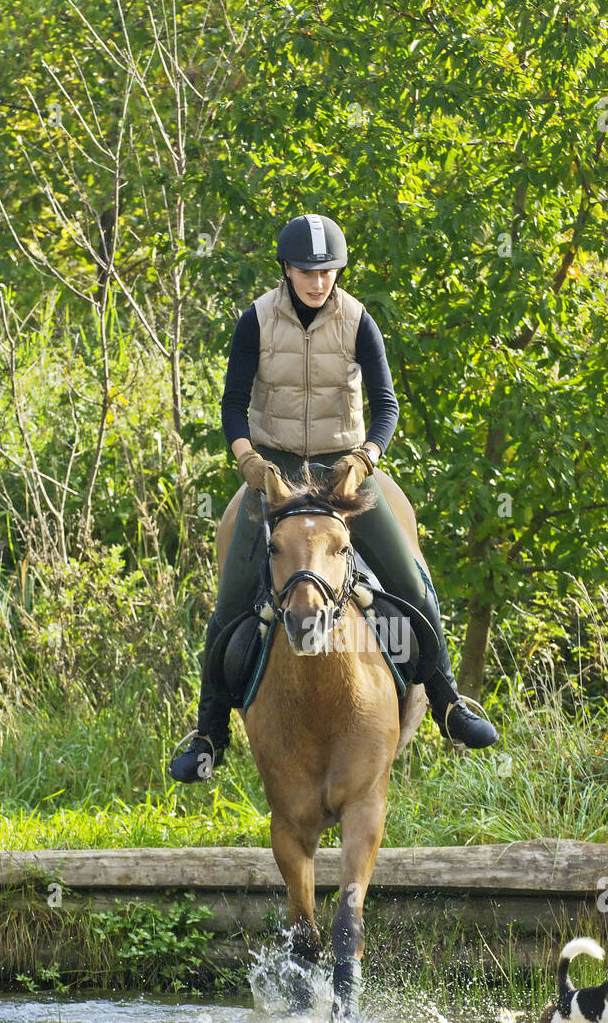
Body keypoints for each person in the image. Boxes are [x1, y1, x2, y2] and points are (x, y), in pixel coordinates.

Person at [169, 213, 498, 781]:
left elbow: (387, 404)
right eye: (307, 272)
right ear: (287, 271)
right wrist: (248, 459)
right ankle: (210, 734)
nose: (318, 282)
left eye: (327, 272)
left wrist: (364, 458)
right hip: (273, 474)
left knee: (414, 584)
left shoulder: (358, 320)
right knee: (227, 605)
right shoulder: (255, 321)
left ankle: (446, 704)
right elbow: (232, 403)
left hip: (343, 470)